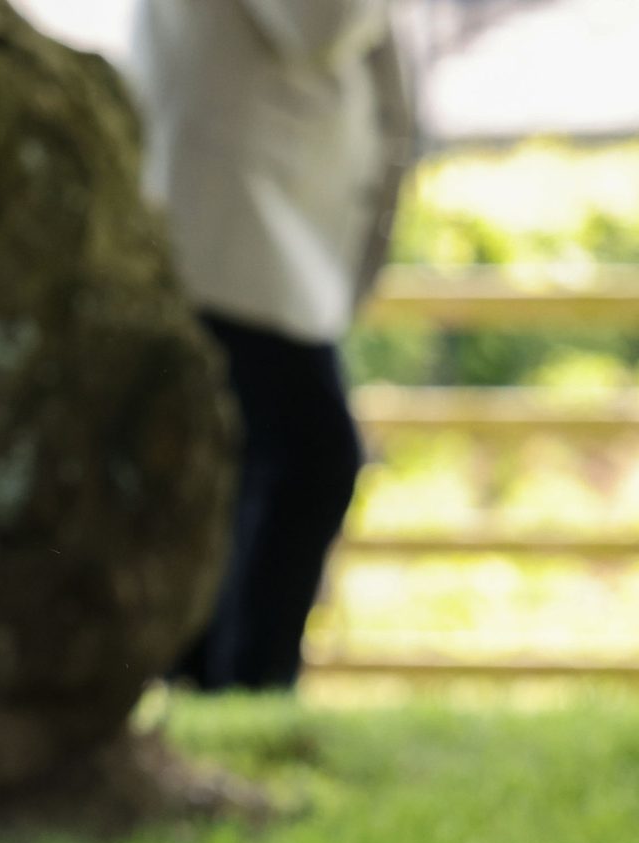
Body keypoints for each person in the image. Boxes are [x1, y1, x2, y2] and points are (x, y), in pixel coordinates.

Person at [133, 0, 414, 690]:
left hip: (241, 224)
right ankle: (245, 688)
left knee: (233, 470)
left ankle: (206, 688)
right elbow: (320, 23)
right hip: (234, 228)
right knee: (311, 456)